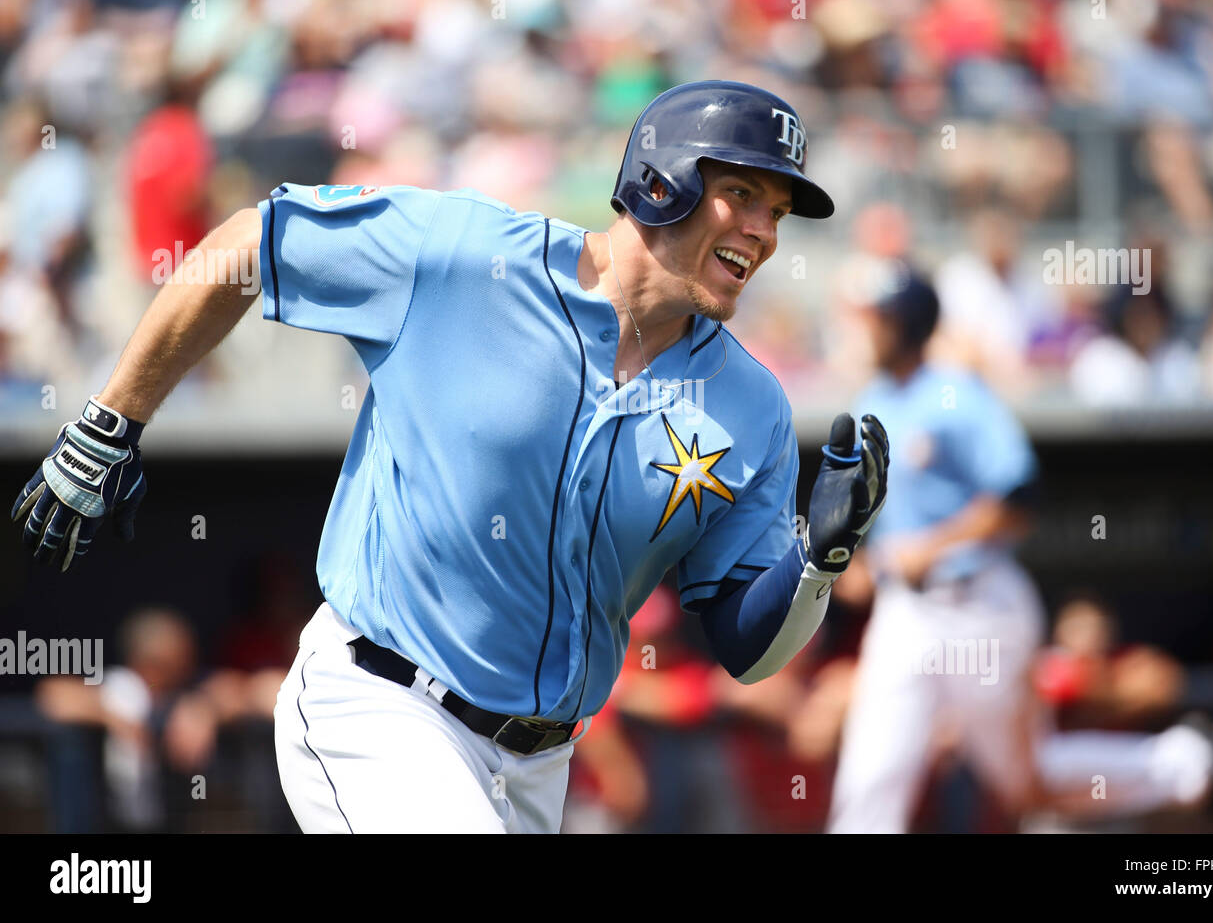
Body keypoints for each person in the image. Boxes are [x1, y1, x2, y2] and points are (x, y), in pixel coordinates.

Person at [12, 80, 890, 833]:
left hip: (539, 768)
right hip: (381, 702)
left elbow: (749, 646)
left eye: (777, 212)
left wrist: (821, 559)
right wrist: (109, 423)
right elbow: (250, 243)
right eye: (743, 193)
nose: (765, 233)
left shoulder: (753, 406)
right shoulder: (465, 258)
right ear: (661, 182)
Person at [828, 267, 1213, 833]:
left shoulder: (954, 391)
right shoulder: (870, 402)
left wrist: (930, 548)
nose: (863, 330)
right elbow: (883, 519)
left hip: (979, 605)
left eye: (876, 318)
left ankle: (1183, 766)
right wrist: (864, 561)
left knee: (1025, 785)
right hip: (905, 613)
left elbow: (1019, 495)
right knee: (871, 777)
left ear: (905, 324)